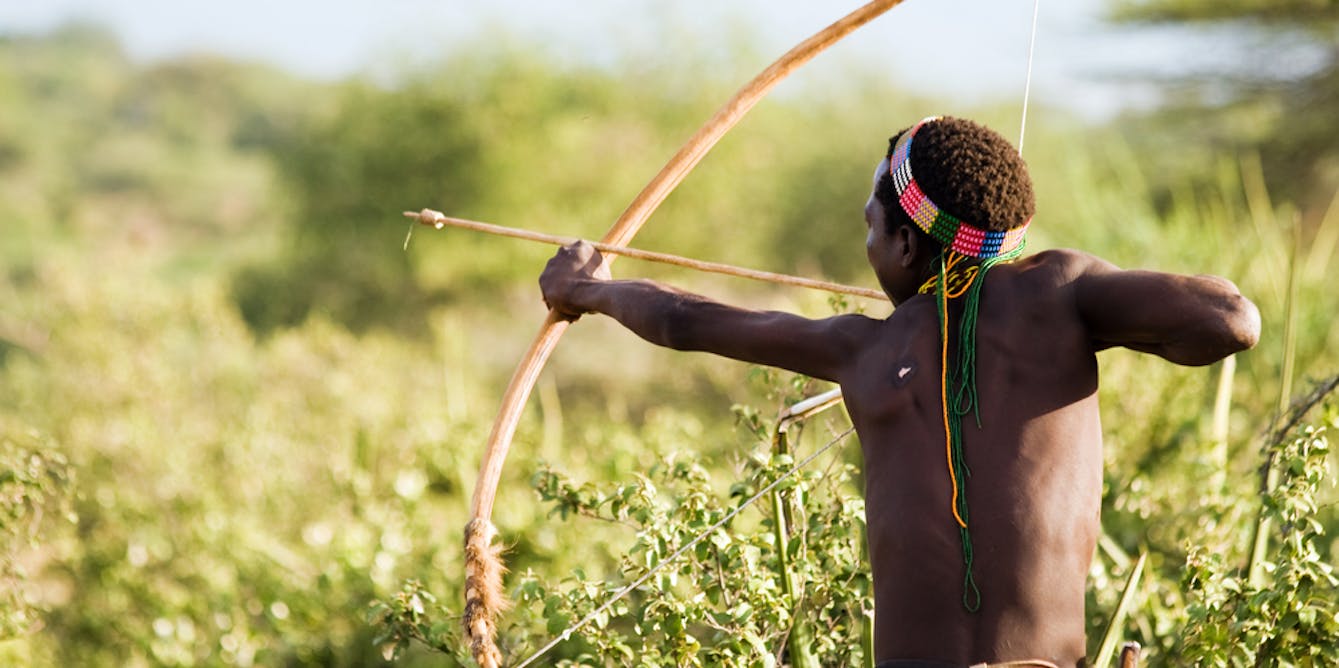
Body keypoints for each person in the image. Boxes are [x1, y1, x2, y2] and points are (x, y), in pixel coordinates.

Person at [538, 116, 1260, 667]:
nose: (868, 246)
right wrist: (1065, 290)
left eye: (870, 227)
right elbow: (1229, 319)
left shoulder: (865, 347)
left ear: (906, 246)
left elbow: (683, 318)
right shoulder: (1059, 296)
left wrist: (586, 291)